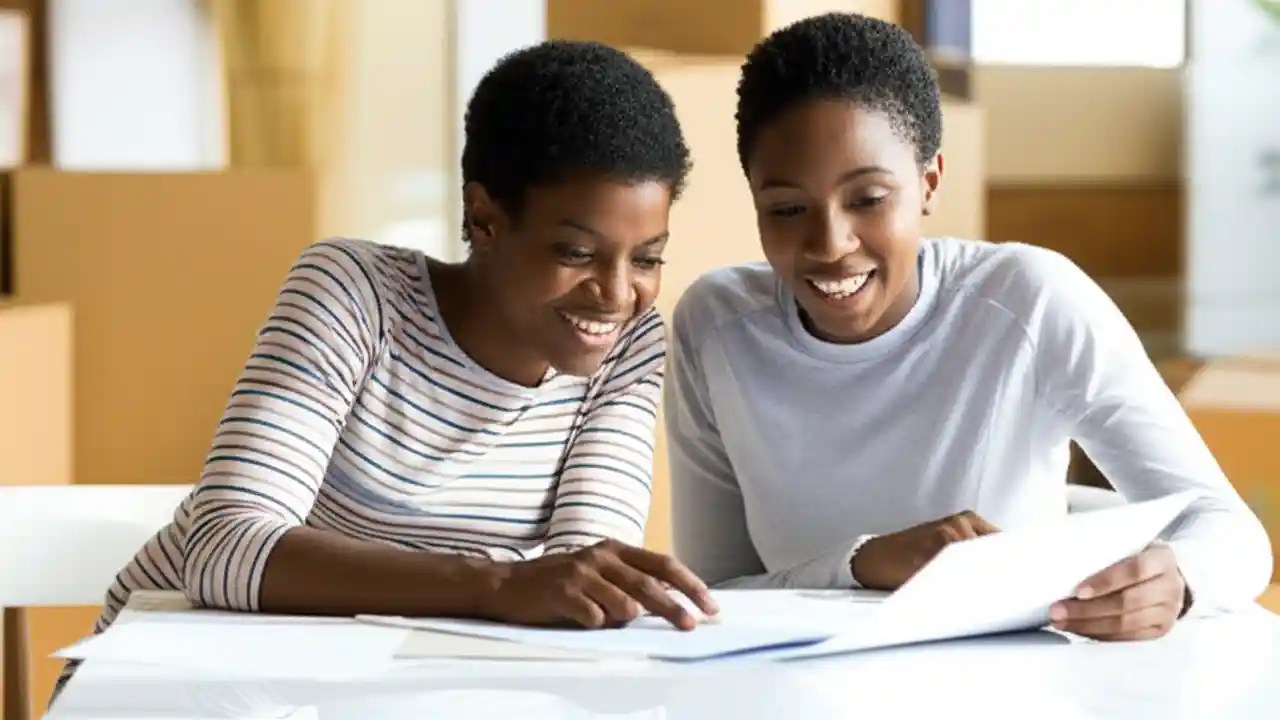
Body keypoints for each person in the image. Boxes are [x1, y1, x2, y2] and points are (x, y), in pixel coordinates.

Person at [55, 39, 719, 701]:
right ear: (484, 217)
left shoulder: (627, 348)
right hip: (172, 686)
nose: (616, 292)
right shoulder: (354, 295)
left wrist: (554, 593)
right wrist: (497, 585)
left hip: (365, 693)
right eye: (577, 252)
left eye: (647, 259)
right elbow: (225, 550)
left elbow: (576, 587)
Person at [666, 13, 1271, 642]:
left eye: (868, 199)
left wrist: (1180, 580)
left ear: (928, 183)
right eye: (787, 209)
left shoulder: (1029, 302)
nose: (830, 244)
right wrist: (863, 563)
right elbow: (714, 598)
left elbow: (1229, 530)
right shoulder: (717, 329)